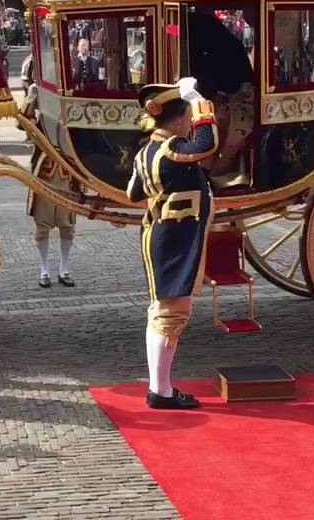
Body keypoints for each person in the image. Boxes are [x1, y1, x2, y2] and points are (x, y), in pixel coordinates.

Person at [126, 77, 216, 410]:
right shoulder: (171, 148)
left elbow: (132, 193)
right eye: (188, 114)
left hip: (161, 233)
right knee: (170, 313)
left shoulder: (145, 151)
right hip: (175, 237)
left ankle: (159, 386)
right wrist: (201, 99)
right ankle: (160, 391)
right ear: (179, 119)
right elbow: (207, 144)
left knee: (163, 312)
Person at [28, 146, 78, 288]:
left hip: (66, 174)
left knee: (67, 226)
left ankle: (64, 270)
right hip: (44, 176)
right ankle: (44, 271)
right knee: (42, 226)